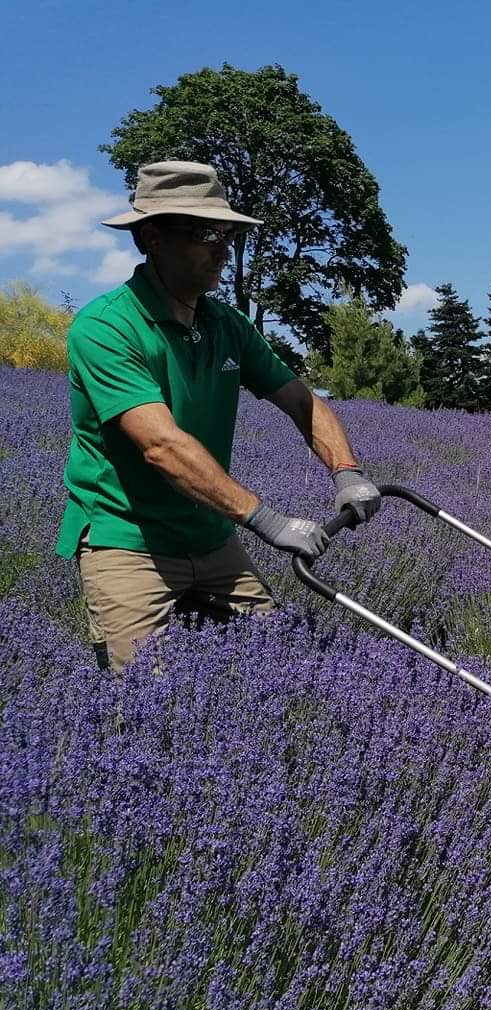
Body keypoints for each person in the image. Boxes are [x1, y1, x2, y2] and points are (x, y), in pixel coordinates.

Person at [57, 160, 383, 672]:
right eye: (205, 233)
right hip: (130, 543)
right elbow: (161, 446)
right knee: (145, 694)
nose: (224, 249)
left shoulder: (226, 324)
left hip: (211, 537)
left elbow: (302, 400)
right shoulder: (106, 328)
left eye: (227, 233)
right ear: (152, 238)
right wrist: (268, 520)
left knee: (278, 665)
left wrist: (347, 472)